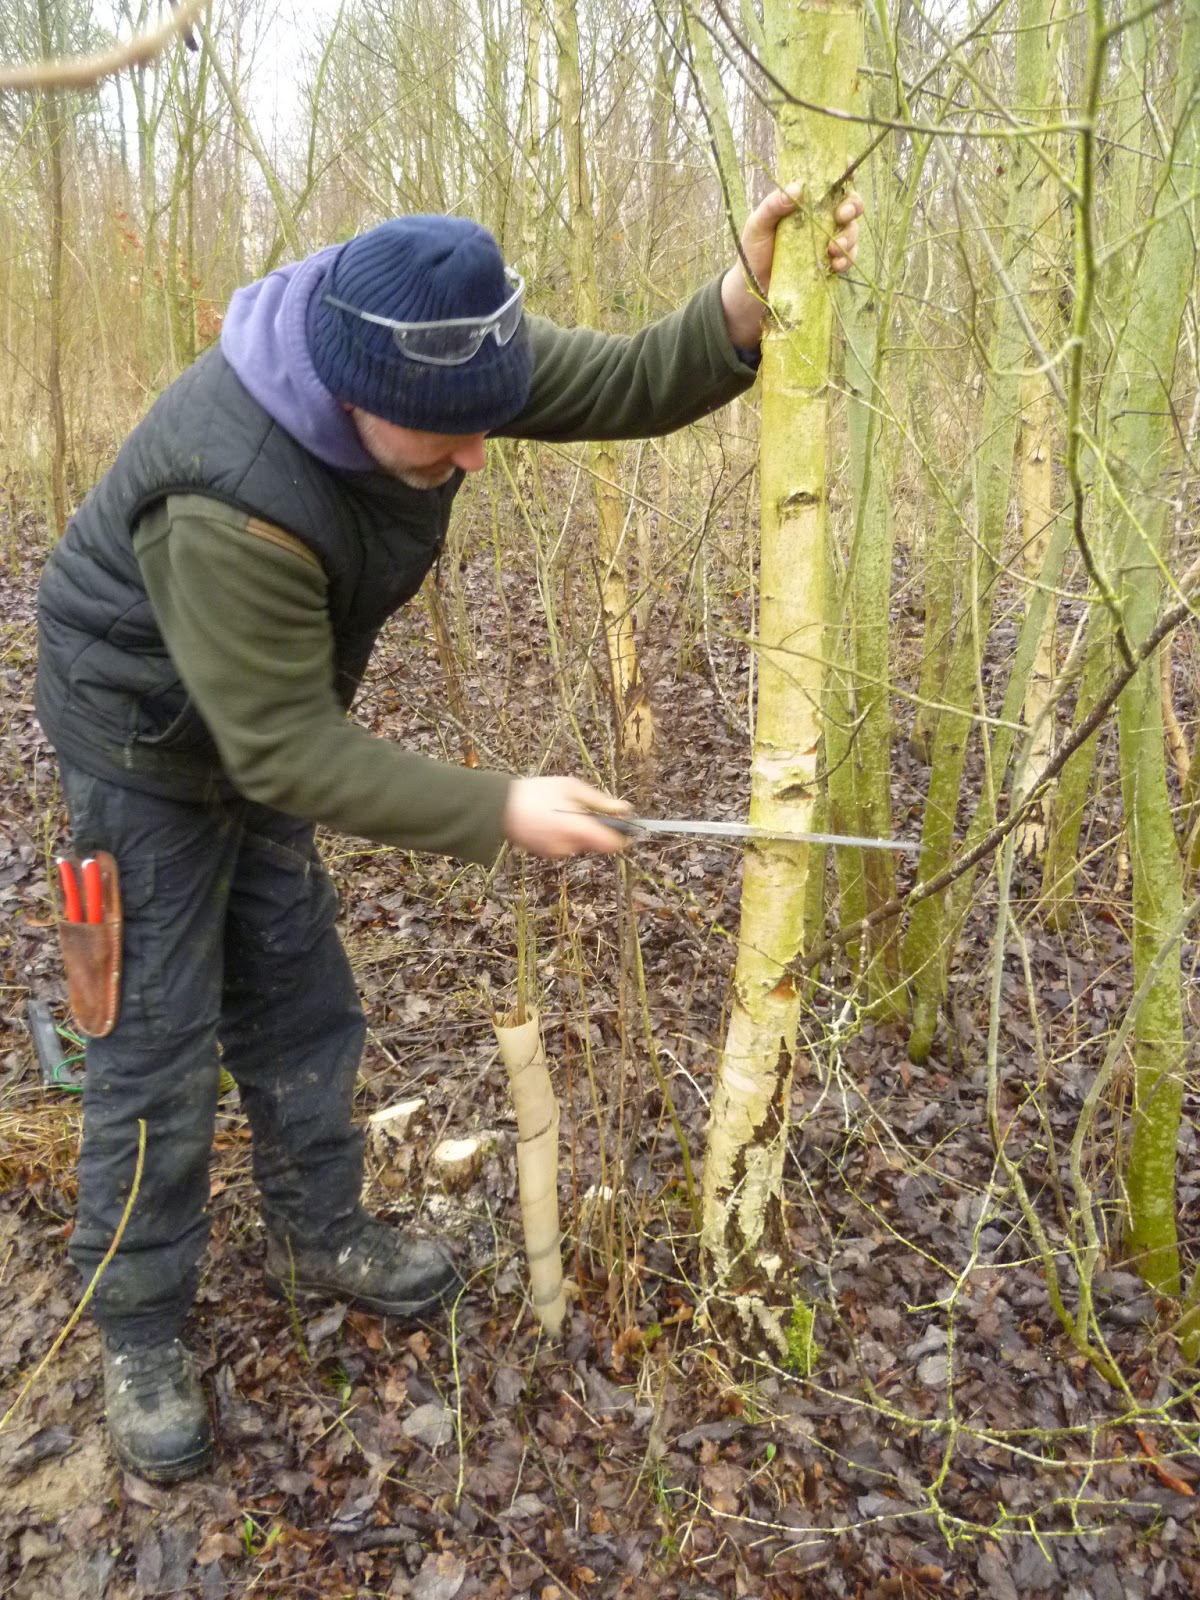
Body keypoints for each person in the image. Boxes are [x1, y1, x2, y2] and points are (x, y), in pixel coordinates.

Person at [35, 186, 862, 1483]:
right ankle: (135, 1327)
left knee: (298, 984)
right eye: (450, 437)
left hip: (264, 701)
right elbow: (284, 753)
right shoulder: (232, 489)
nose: (480, 455)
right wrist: (499, 808)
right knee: (155, 1036)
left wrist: (743, 305)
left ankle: (321, 1228)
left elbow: (631, 377)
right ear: (357, 391)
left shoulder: (433, 354)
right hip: (141, 731)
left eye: (490, 416)